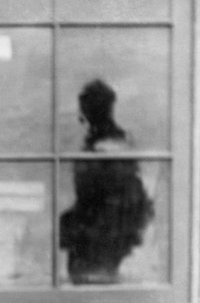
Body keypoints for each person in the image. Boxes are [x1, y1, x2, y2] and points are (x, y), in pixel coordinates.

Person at [59, 79, 154, 284]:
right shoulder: (103, 143)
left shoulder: (110, 146)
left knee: (94, 282)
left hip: (103, 234)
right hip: (95, 231)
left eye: (87, 108)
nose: (83, 115)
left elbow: (115, 196)